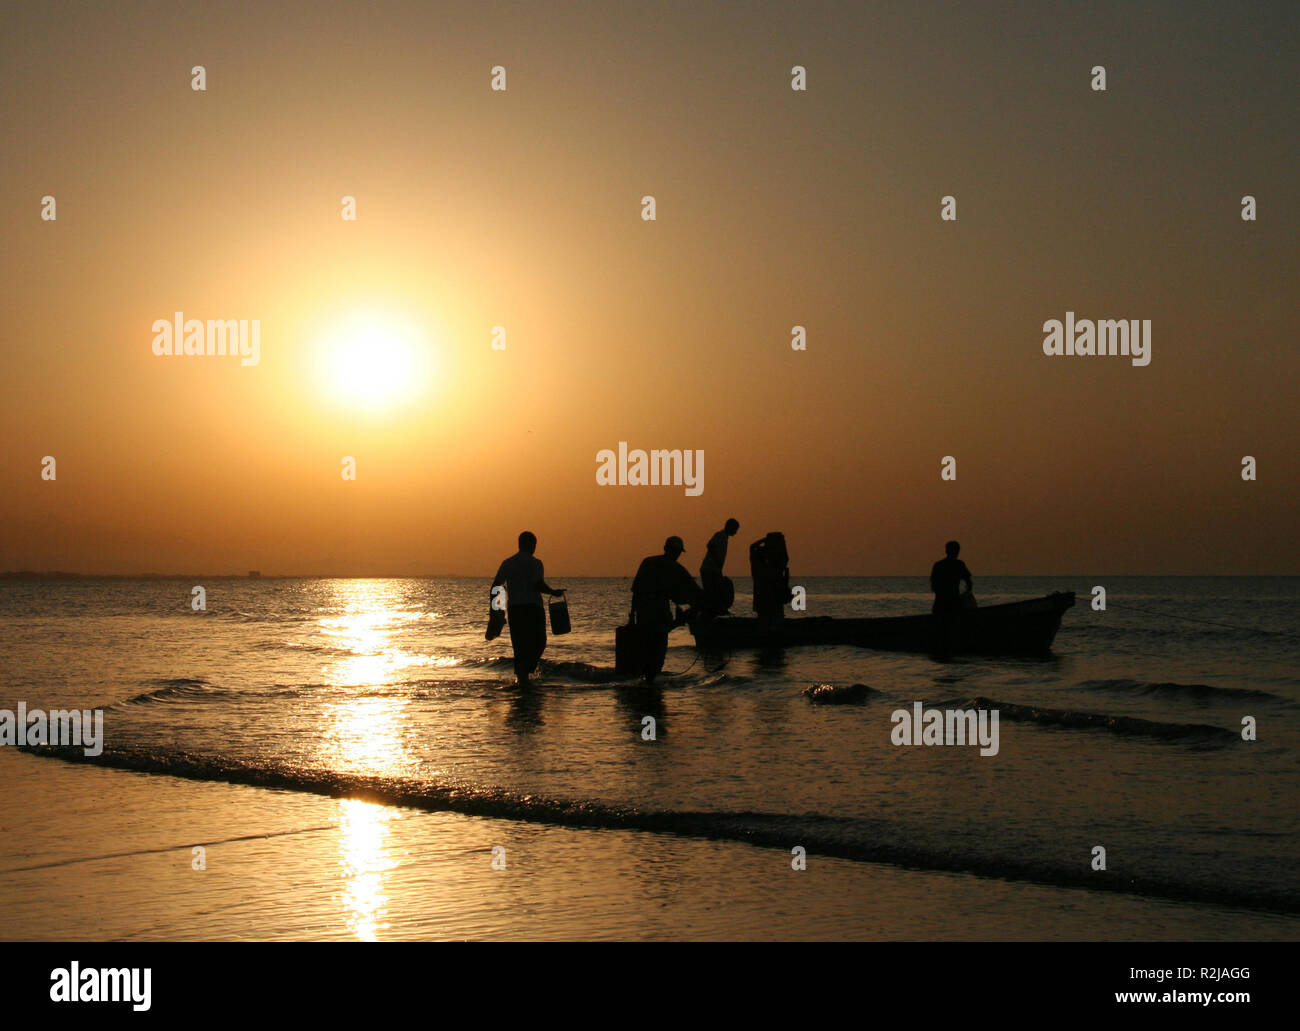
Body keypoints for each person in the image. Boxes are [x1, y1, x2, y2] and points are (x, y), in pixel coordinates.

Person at [491, 531, 564, 683]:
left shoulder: (508, 563)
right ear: (531, 544)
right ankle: (527, 672)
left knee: (519, 646)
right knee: (539, 642)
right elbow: (538, 585)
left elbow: (496, 585)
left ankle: (522, 678)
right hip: (533, 609)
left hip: (515, 610)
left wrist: (497, 610)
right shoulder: (536, 563)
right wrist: (553, 592)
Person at [630, 536, 705, 683]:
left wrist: (632, 615)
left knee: (646, 652)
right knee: (657, 653)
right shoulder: (675, 568)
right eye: (677, 552)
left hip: (644, 614)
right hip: (658, 615)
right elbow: (693, 593)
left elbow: (636, 590)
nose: (676, 555)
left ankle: (646, 685)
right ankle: (650, 685)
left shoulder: (648, 562)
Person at [749, 531, 792, 632]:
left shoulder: (768, 557)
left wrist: (765, 540)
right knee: (773, 616)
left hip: (769, 594)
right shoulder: (772, 557)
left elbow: (752, 547)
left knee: (768, 617)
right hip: (770, 594)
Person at [700, 518, 740, 613]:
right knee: (711, 593)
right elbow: (710, 545)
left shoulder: (724, 538)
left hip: (714, 570)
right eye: (735, 529)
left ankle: (714, 610)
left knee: (715, 592)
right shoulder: (720, 535)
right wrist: (717, 559)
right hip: (709, 569)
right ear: (729, 527)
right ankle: (707, 612)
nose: (736, 532)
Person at [930, 540, 973, 615]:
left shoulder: (938, 565)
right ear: (957, 551)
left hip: (940, 603)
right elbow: (969, 583)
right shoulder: (959, 565)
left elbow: (933, 586)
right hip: (954, 602)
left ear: (946, 551)